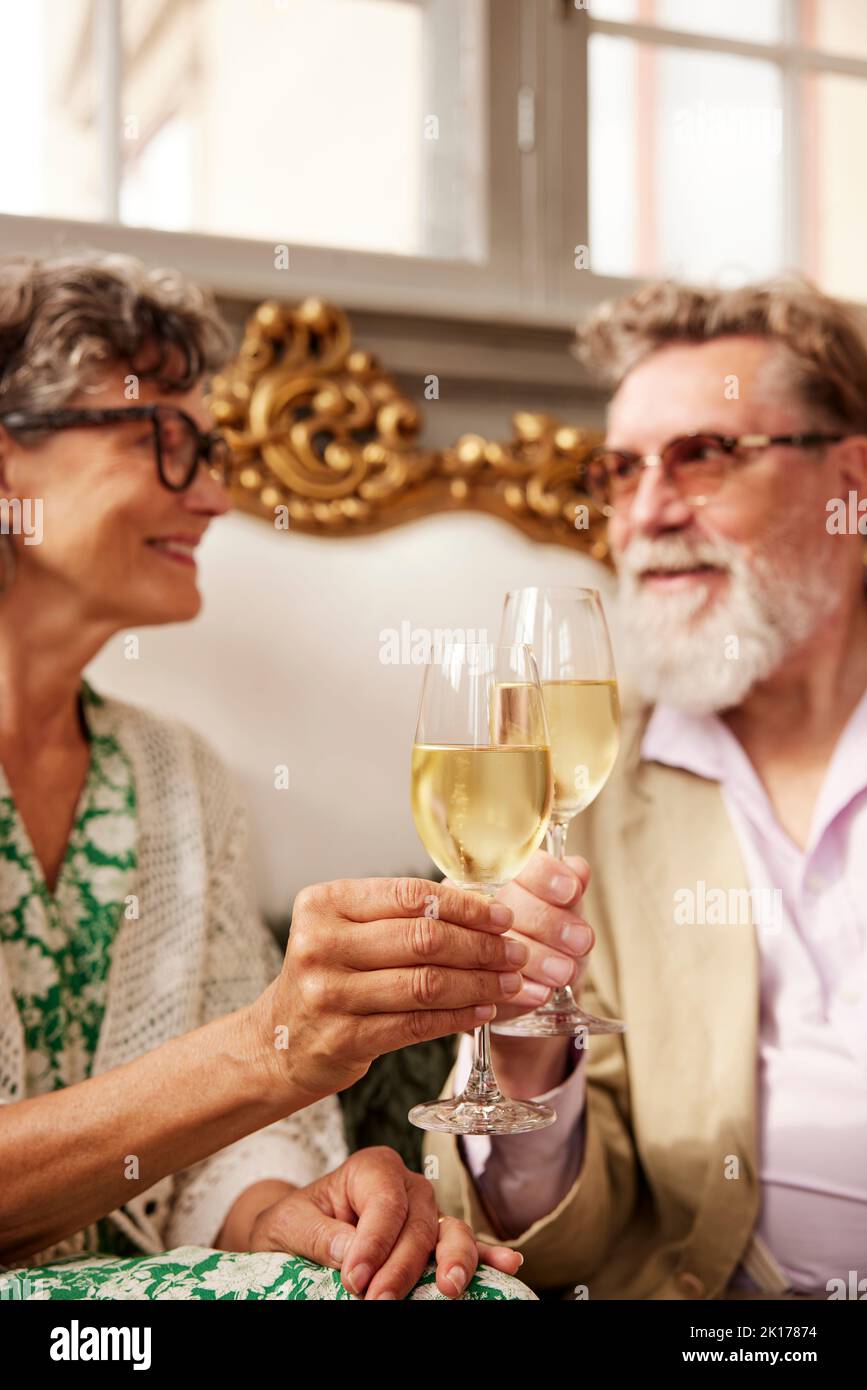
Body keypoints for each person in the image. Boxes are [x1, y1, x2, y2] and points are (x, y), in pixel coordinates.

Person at [0, 252, 594, 1301]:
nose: (220, 495)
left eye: (214, 449)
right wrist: (269, 1048)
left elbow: (214, 1176)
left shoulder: (176, 779)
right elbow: (252, 1055)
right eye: (168, 443)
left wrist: (308, 1208)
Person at [427, 277, 867, 1300]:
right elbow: (550, 1247)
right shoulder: (570, 790)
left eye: (704, 455)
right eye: (621, 471)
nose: (651, 511)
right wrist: (528, 1046)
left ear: (850, 476)